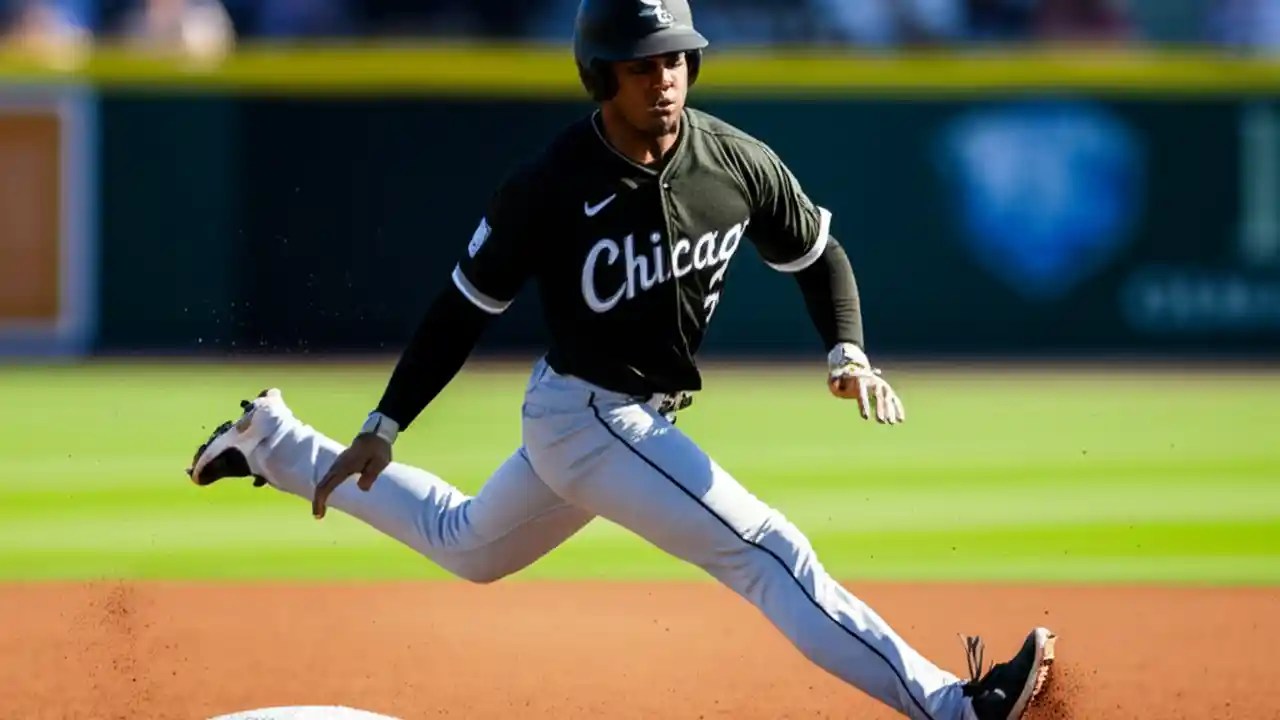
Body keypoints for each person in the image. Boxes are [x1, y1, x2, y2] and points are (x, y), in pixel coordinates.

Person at [187, 1, 1057, 718]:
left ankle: (273, 442)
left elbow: (816, 253)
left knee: (468, 545)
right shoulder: (551, 184)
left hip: (613, 421)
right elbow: (463, 307)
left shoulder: (732, 160)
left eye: (677, 58)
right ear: (602, 75)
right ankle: (954, 707)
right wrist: (386, 422)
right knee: (767, 553)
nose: (665, 77)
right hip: (591, 415)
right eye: (643, 64)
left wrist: (847, 349)